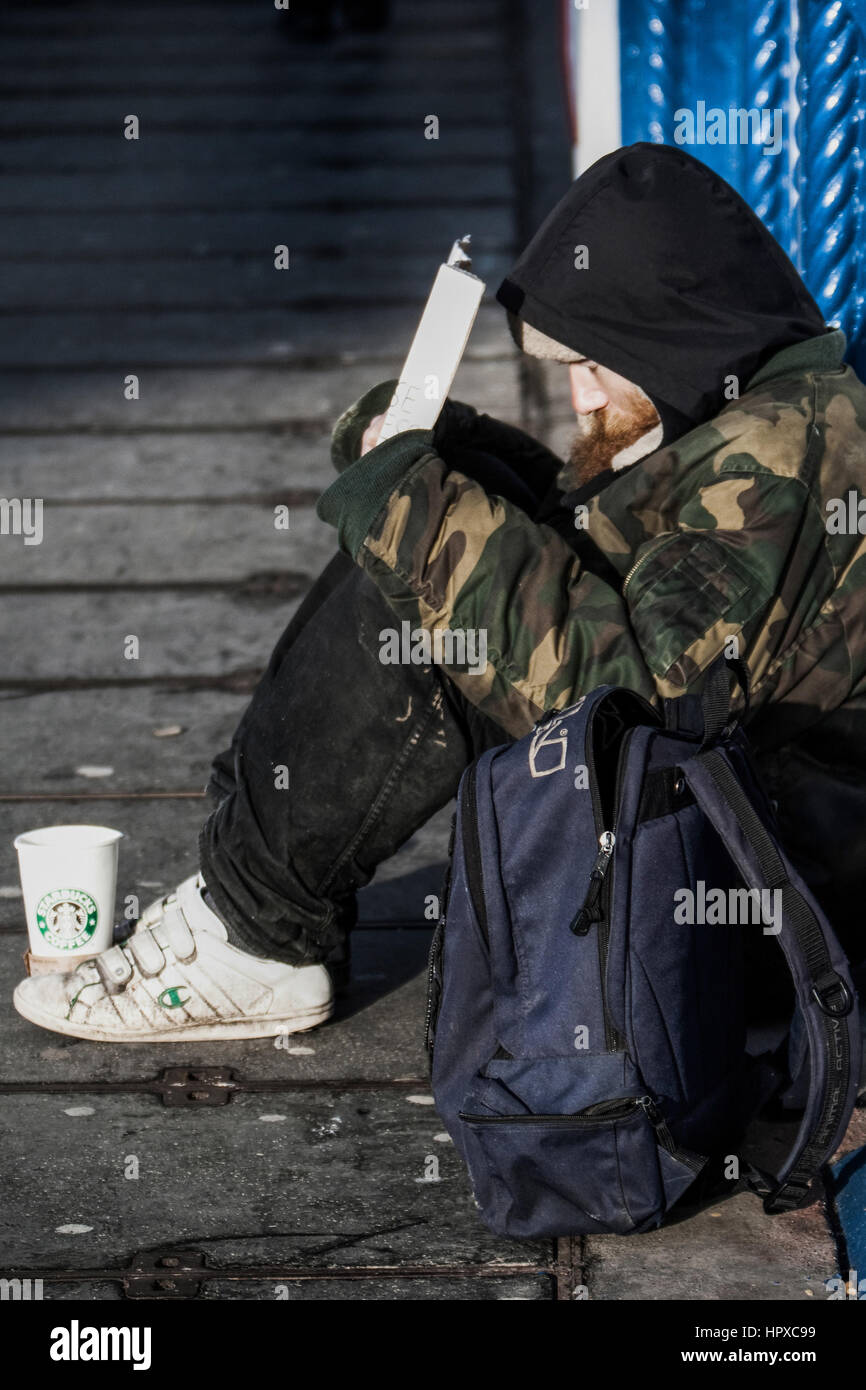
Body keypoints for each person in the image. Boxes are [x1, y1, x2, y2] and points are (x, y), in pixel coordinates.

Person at [14, 142, 866, 1042]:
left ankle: (253, 938)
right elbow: (623, 598)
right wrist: (441, 451)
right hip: (720, 846)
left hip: (757, 920)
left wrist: (421, 507)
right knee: (448, 507)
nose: (579, 400)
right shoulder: (762, 411)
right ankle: (256, 876)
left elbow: (632, 708)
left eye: (594, 366)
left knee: (433, 583)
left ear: (667, 334)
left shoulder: (777, 466)